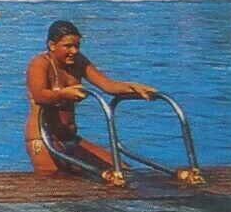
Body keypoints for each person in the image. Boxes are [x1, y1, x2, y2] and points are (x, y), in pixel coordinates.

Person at [25, 20, 157, 176]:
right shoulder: (40, 63)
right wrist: (63, 93)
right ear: (52, 45)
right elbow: (39, 95)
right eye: (68, 46)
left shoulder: (78, 62)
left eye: (77, 46)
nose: (74, 51)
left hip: (70, 139)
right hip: (43, 139)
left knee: (123, 170)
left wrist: (134, 87)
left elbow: (108, 85)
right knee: (58, 182)